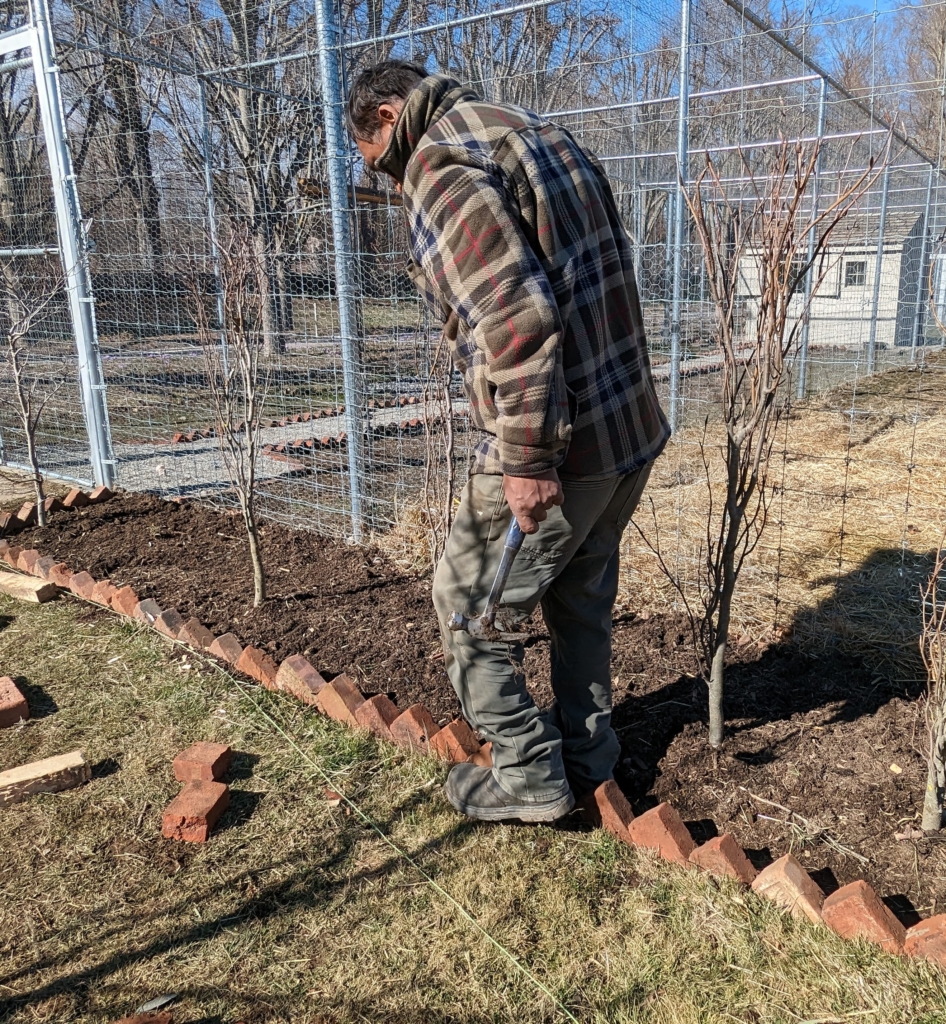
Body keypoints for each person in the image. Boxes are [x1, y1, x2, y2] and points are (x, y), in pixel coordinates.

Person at [347, 61, 670, 823]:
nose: (385, 179)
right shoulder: (532, 134)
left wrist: (526, 460)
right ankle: (592, 758)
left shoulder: (440, 168)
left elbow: (518, 321)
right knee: (579, 601)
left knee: (467, 606)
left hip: (556, 444)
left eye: (373, 154)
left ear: (390, 115)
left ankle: (528, 777)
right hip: (626, 429)